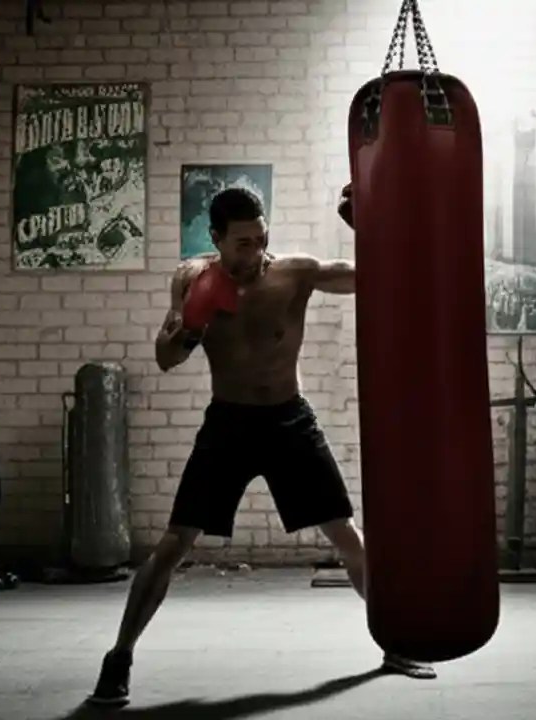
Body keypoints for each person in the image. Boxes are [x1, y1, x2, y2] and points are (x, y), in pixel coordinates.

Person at [86, 185, 435, 709]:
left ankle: (395, 642)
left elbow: (374, 279)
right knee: (175, 543)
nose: (255, 250)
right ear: (216, 240)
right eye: (242, 242)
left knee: (346, 535)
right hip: (227, 424)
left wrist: (378, 226)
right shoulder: (191, 278)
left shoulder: (295, 273)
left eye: (260, 236)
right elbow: (164, 357)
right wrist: (193, 326)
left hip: (289, 420)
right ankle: (119, 659)